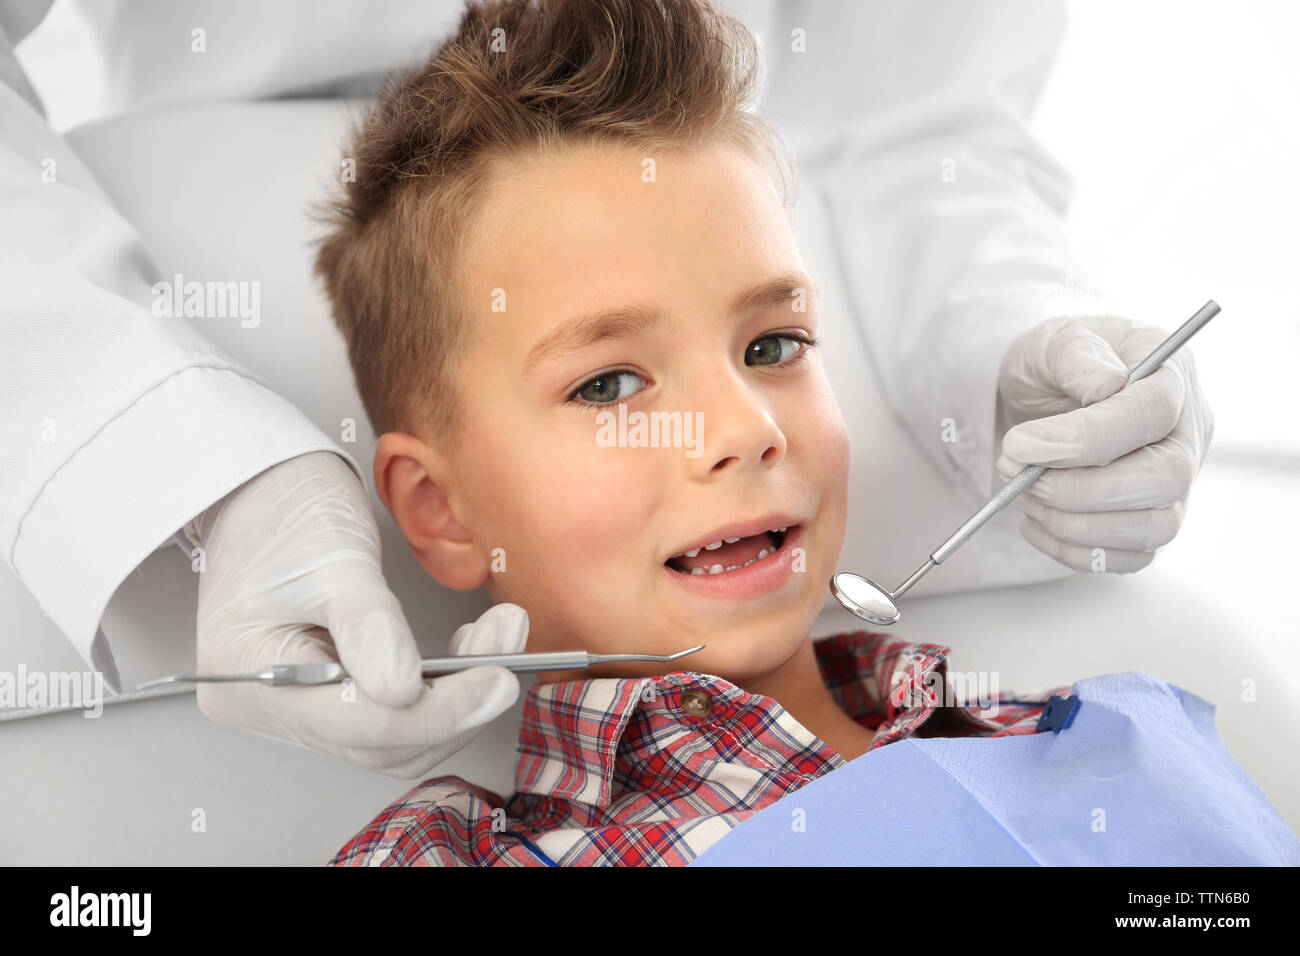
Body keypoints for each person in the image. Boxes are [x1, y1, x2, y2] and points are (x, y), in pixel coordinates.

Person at [0, 0, 1214, 780]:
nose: (739, 431)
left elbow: (918, 116)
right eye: (611, 380)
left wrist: (1005, 344)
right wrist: (176, 460)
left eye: (774, 347)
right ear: (434, 508)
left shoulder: (1081, 739)